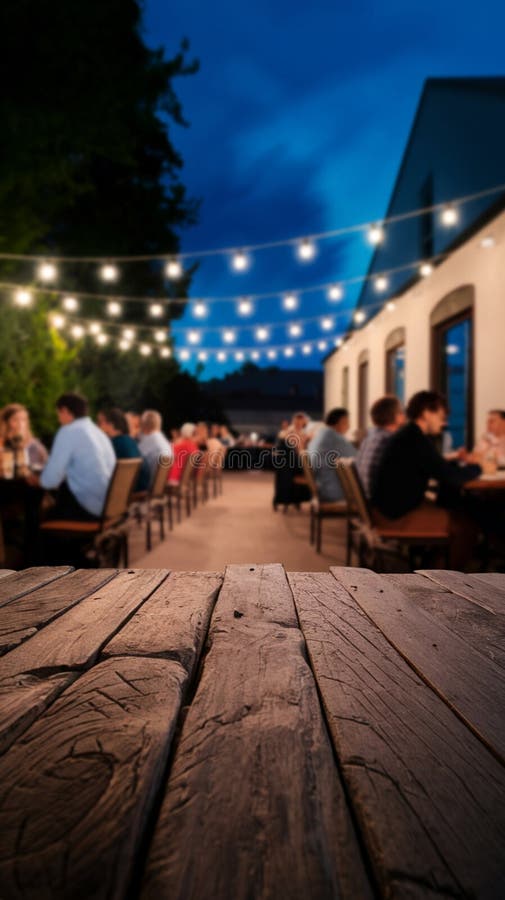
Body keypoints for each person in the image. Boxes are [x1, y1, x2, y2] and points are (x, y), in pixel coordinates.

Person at [372, 390, 482, 569]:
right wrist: (478, 467)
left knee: (461, 513)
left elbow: (439, 468)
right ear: (426, 413)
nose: (444, 423)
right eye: (441, 417)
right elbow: (449, 476)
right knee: (466, 527)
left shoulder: (410, 435)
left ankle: (430, 567)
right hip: (395, 516)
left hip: (389, 508)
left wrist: (462, 467)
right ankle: (440, 578)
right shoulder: (415, 439)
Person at [33, 392, 116, 520]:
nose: (58, 419)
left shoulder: (68, 431)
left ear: (65, 410)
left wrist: (36, 480)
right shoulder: (98, 432)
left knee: (41, 515)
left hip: (89, 508)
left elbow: (50, 480)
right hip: (109, 505)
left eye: (58, 414)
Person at [356, 396, 405, 497]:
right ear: (396, 416)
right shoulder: (389, 440)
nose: (404, 415)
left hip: (367, 499)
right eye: (401, 412)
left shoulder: (369, 438)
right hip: (380, 502)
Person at [307, 408, 357, 502]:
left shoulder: (319, 436)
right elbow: (357, 460)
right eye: (347, 422)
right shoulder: (334, 438)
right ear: (342, 421)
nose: (349, 426)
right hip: (334, 491)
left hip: (322, 487)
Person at [97, 407, 150, 492]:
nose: (98, 427)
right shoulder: (130, 441)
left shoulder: (113, 445)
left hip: (130, 492)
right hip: (141, 488)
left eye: (100, 423)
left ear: (110, 425)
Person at [0, 403, 48, 470]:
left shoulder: (35, 446)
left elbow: (47, 468)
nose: (20, 424)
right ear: (6, 423)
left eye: (23, 420)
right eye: (15, 420)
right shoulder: (2, 444)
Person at [138, 410, 172, 484]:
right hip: (159, 485)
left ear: (143, 425)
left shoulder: (149, 440)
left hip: (148, 485)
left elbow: (135, 458)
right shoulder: (164, 441)